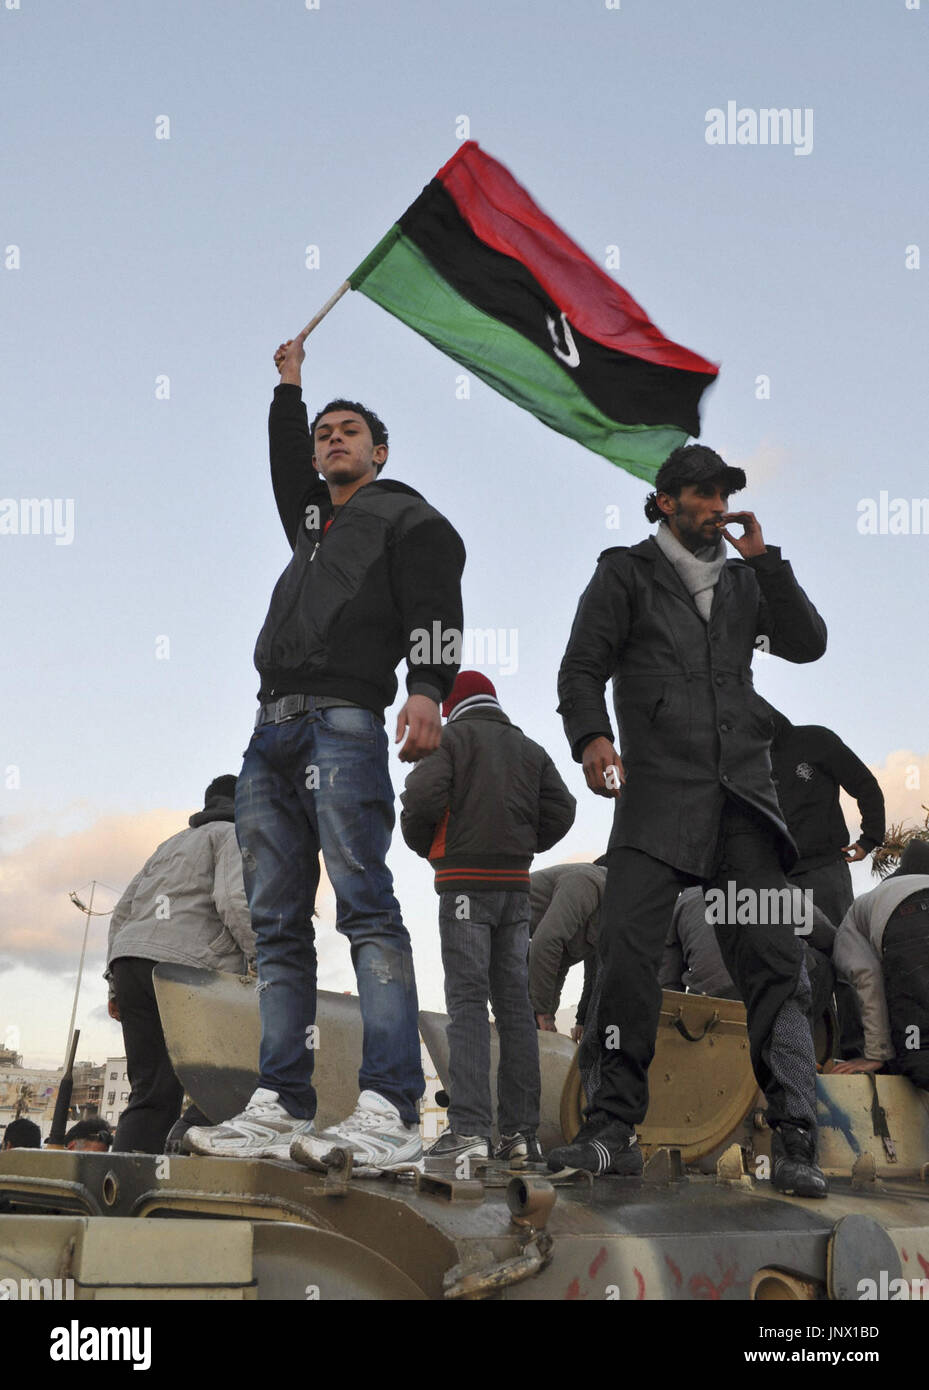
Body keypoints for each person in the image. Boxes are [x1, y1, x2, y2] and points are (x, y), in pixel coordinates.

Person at [188, 330, 466, 1175]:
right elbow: (283, 460)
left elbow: (436, 595)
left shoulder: (408, 515)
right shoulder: (311, 524)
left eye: (348, 431)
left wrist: (428, 685)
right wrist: (289, 384)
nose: (330, 439)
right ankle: (280, 1102)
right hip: (267, 734)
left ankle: (387, 1105)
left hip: (344, 724)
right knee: (276, 926)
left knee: (367, 911)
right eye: (323, 433)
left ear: (379, 453)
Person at [550, 443, 830, 1198]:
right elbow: (580, 667)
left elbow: (806, 644)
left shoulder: (745, 582)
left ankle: (797, 1139)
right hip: (656, 799)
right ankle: (612, 1131)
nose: (716, 504)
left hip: (742, 801)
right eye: (702, 494)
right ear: (666, 501)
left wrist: (768, 562)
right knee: (624, 948)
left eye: (722, 493)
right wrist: (592, 738)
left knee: (775, 959)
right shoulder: (625, 572)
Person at [400, 671, 575, 1165]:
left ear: (453, 706)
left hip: (463, 887)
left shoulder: (451, 738)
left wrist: (433, 848)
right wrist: (520, 842)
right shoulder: (530, 749)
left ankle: (471, 1131)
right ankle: (521, 1136)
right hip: (515, 890)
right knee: (516, 1009)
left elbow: (420, 799)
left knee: (468, 1003)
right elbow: (563, 809)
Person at [106, 775, 255, 1154]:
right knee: (228, 1077)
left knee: (149, 1090)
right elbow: (235, 900)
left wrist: (113, 984)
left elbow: (121, 912)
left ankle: (124, 1188)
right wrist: (262, 961)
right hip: (185, 971)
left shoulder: (168, 845)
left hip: (131, 964)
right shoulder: (232, 835)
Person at [766, 705, 885, 926]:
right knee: (787, 956)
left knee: (841, 948)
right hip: (776, 879)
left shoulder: (816, 740)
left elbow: (865, 784)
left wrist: (870, 837)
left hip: (825, 871)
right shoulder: (746, 761)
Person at [831, 839, 929, 1088]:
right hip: (906, 918)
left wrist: (877, 1054)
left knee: (919, 1051)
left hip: (906, 919)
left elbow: (869, 979)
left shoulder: (848, 928)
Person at [529, 860, 606, 1040]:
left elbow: (560, 962)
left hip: (520, 946)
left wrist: (548, 1014)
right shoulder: (586, 883)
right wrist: (542, 1012)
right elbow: (547, 943)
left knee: (536, 1032)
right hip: (482, 922)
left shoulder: (608, 920)